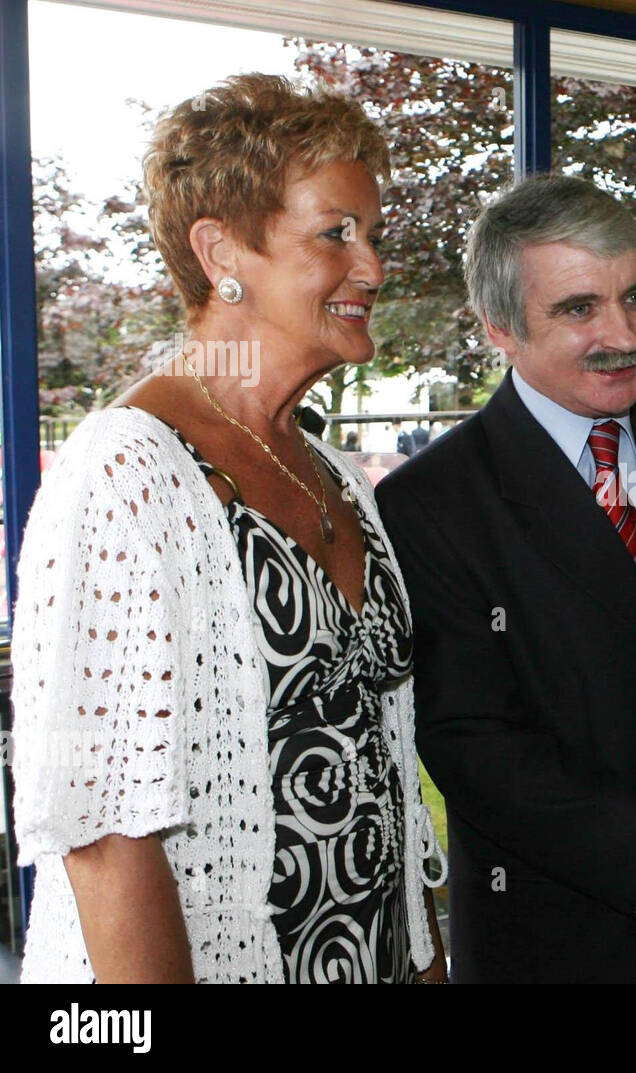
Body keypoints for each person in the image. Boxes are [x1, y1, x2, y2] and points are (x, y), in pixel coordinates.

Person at [11, 74, 447, 984]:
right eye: (336, 234)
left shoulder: (335, 476)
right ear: (221, 251)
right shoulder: (125, 471)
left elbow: (387, 774)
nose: (372, 266)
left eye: (373, 235)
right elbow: (103, 833)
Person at [377, 175, 636, 983]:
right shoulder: (429, 504)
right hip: (563, 946)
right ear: (499, 326)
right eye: (579, 309)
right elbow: (477, 751)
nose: (624, 333)